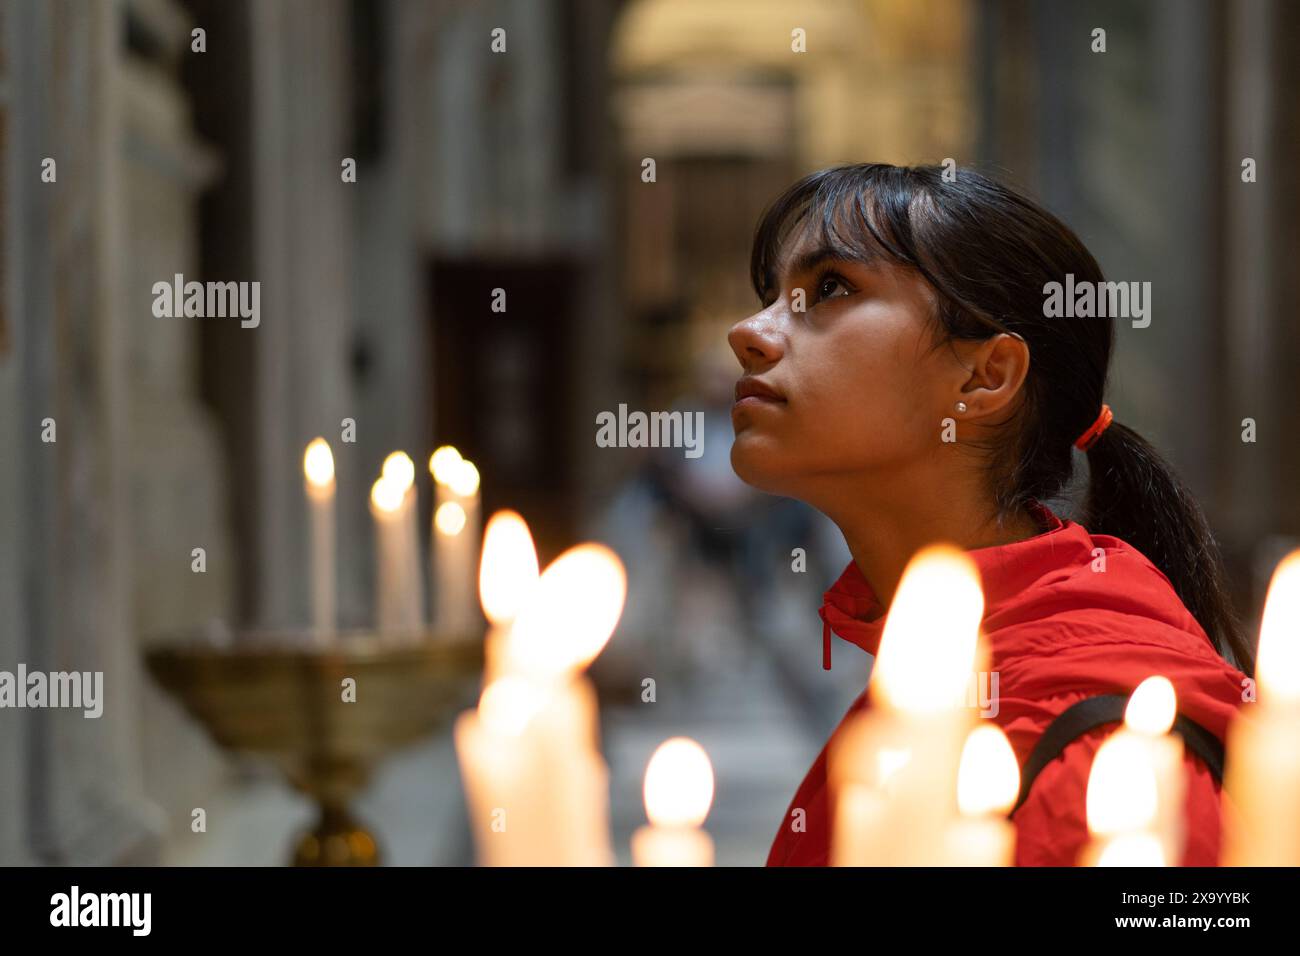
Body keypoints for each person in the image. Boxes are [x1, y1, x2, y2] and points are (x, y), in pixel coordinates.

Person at [727, 162, 1253, 867]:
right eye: (772, 294)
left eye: (830, 289)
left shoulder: (1098, 753)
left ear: (985, 376)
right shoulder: (936, 679)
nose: (748, 333)